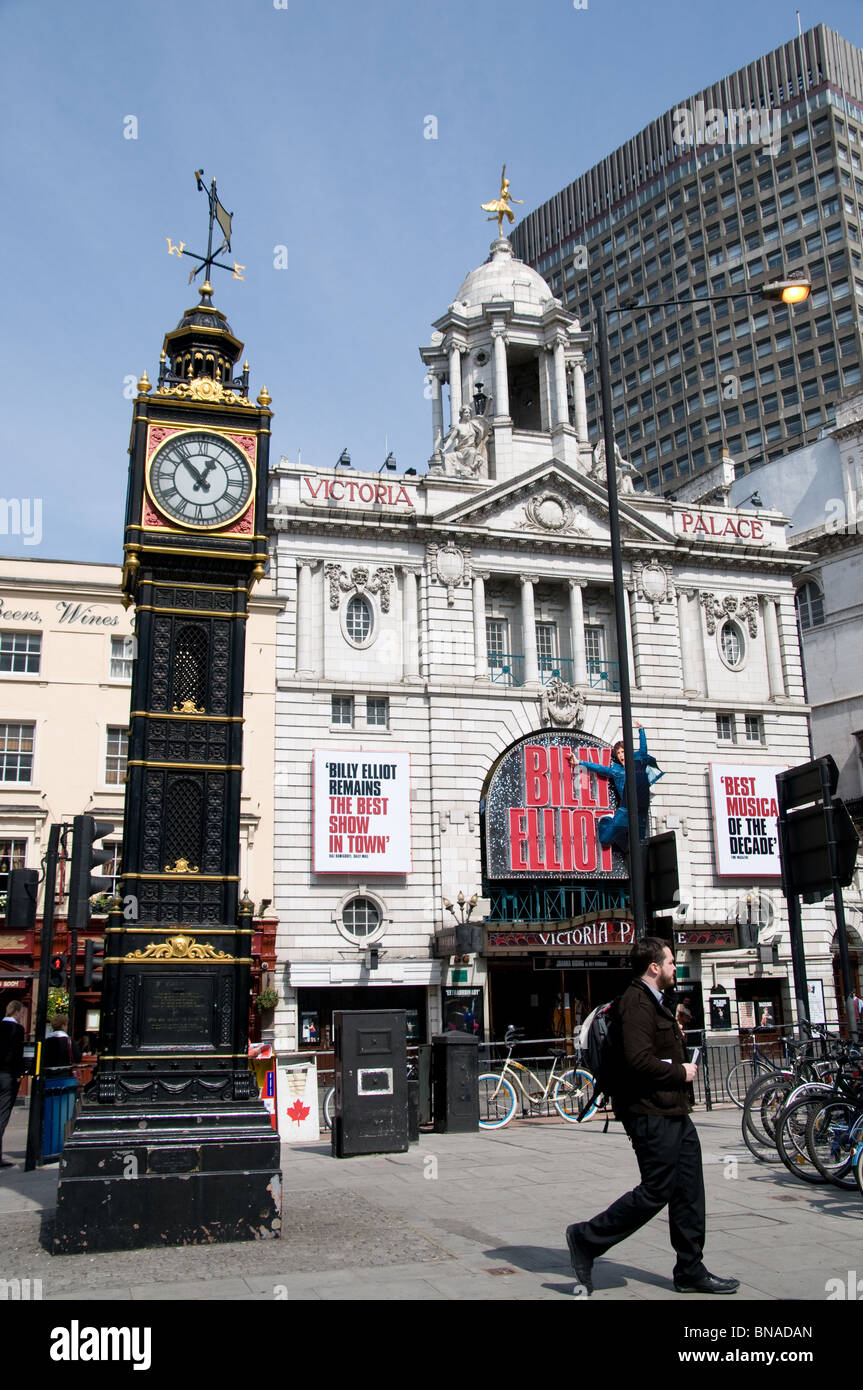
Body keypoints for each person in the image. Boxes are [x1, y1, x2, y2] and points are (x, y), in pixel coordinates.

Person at [565, 938, 739, 1296]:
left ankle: (690, 1269)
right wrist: (680, 1073)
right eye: (671, 962)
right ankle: (586, 1237)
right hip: (649, 1112)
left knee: (689, 1189)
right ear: (654, 967)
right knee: (656, 1189)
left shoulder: (655, 1001)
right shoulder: (636, 1003)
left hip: (673, 1110)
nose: (676, 968)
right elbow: (638, 1060)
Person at [570, 723, 663, 852]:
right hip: (625, 810)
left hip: (640, 812)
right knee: (605, 838)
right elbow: (599, 768)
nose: (620, 755)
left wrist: (641, 731)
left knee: (638, 847)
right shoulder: (617, 772)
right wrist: (579, 762)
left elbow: (643, 750)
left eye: (623, 752)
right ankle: (606, 819)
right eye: (618, 753)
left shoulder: (638, 765)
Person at [0, 1000, 26, 1167]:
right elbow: (17, 1055)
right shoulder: (17, 1029)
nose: (22, 1015)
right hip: (7, 1076)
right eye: (21, 1012)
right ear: (16, 1011)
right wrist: (19, 1074)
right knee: (2, 1115)